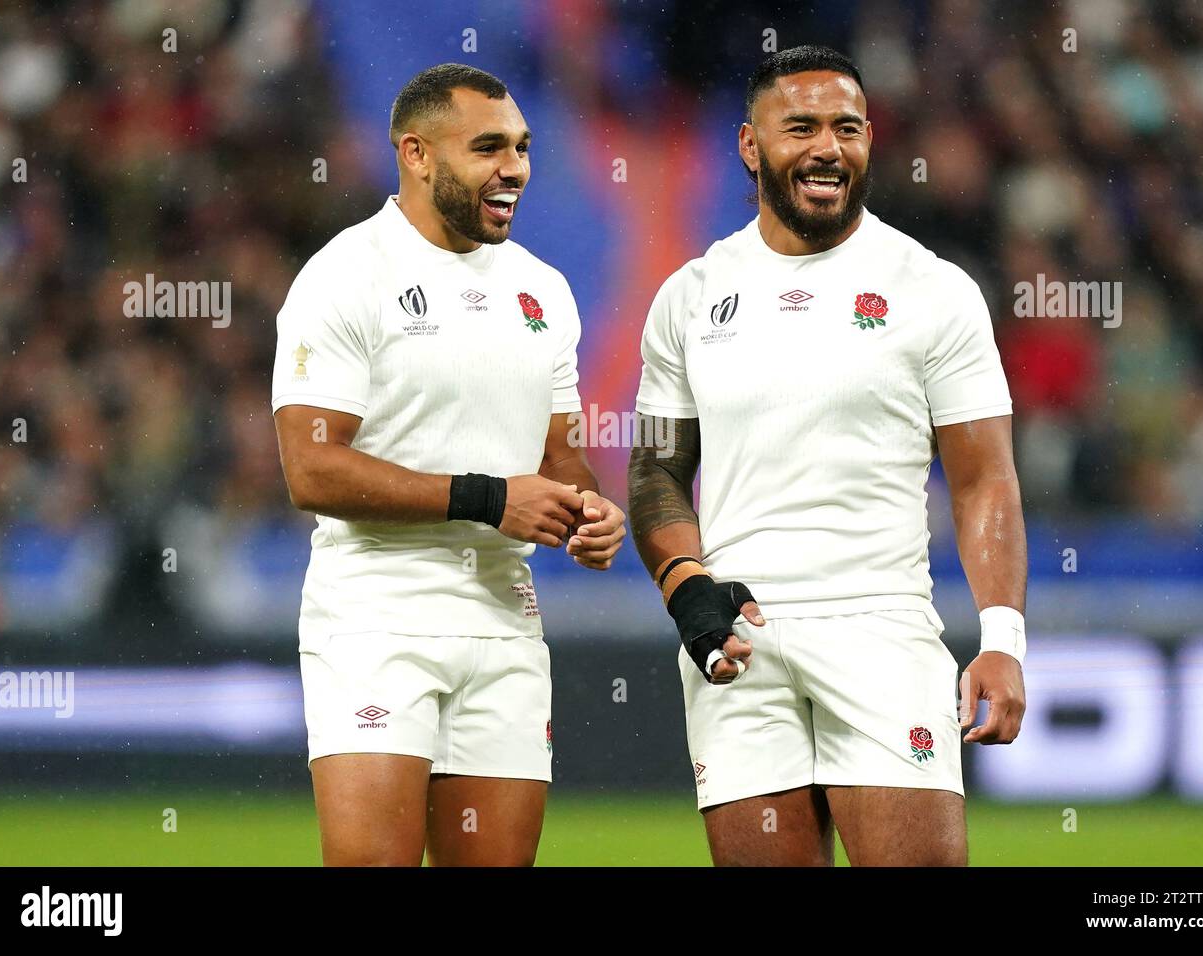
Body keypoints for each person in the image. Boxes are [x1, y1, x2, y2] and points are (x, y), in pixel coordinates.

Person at [627, 46, 1026, 866]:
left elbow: (983, 477)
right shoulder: (692, 297)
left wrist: (1002, 638)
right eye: (800, 126)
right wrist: (686, 588)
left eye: (846, 128)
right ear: (749, 144)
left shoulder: (932, 289)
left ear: (870, 140)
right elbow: (657, 471)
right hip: (738, 643)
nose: (826, 147)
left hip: (880, 633)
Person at [272, 63, 626, 866]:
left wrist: (589, 510)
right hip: (375, 615)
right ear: (417, 154)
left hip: (504, 620)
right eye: (489, 147)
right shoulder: (345, 276)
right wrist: (487, 498)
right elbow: (312, 470)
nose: (516, 169)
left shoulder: (544, 290)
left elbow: (560, 453)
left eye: (524, 149)